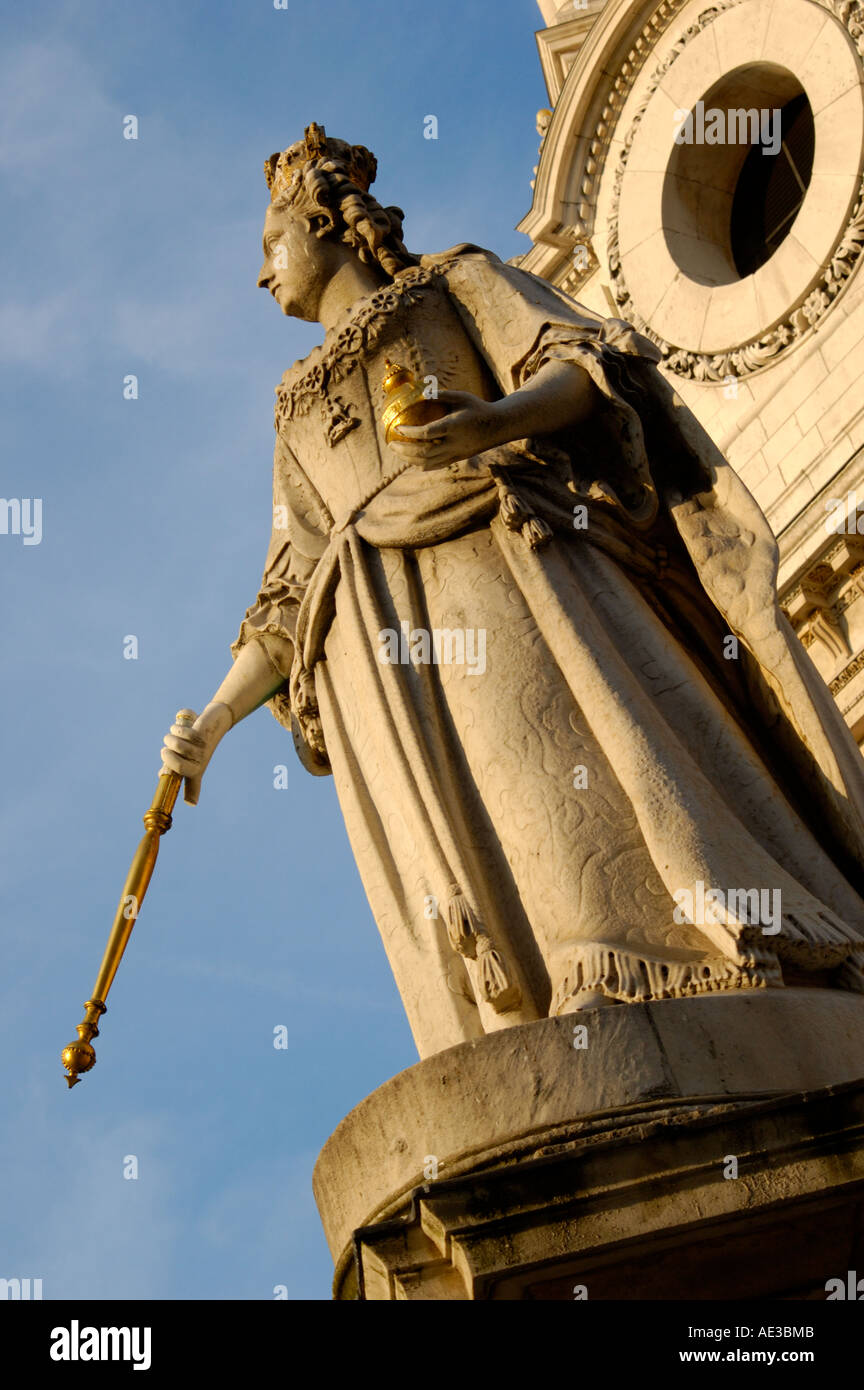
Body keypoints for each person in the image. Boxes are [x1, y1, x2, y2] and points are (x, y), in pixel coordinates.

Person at [160, 124, 864, 1058]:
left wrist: (493, 423)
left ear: (325, 223)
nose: (261, 276)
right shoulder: (290, 408)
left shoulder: (453, 283)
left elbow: (585, 369)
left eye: (269, 245)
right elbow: (288, 590)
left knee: (564, 778)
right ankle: (550, 1017)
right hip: (388, 668)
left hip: (508, 575)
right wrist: (212, 723)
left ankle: (655, 968)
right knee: (496, 838)